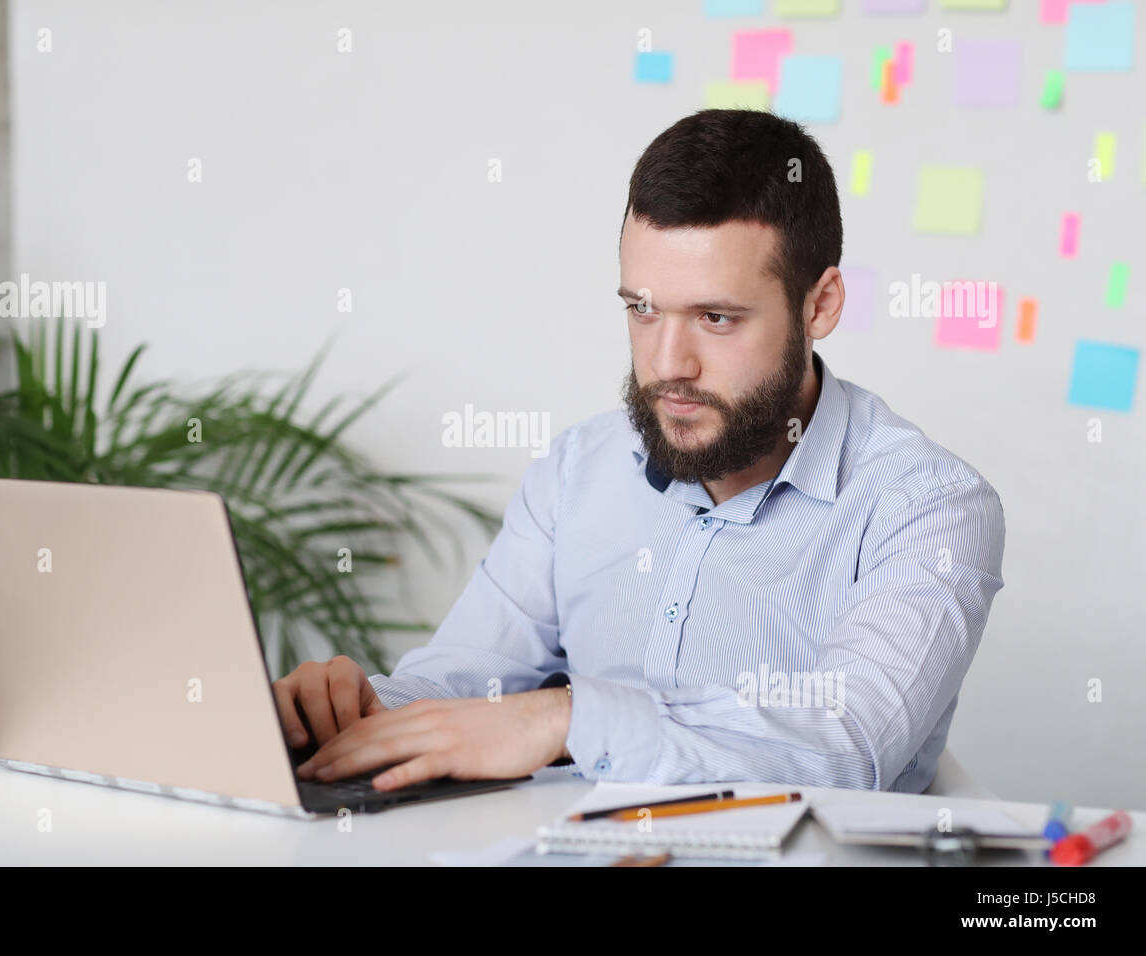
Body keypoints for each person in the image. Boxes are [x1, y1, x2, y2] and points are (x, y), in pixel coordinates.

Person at [271, 109, 1005, 794]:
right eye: (642, 309)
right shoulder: (576, 471)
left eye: (716, 317)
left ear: (821, 305)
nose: (668, 363)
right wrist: (353, 709)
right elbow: (470, 681)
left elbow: (849, 745)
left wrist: (564, 719)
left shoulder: (927, 505)